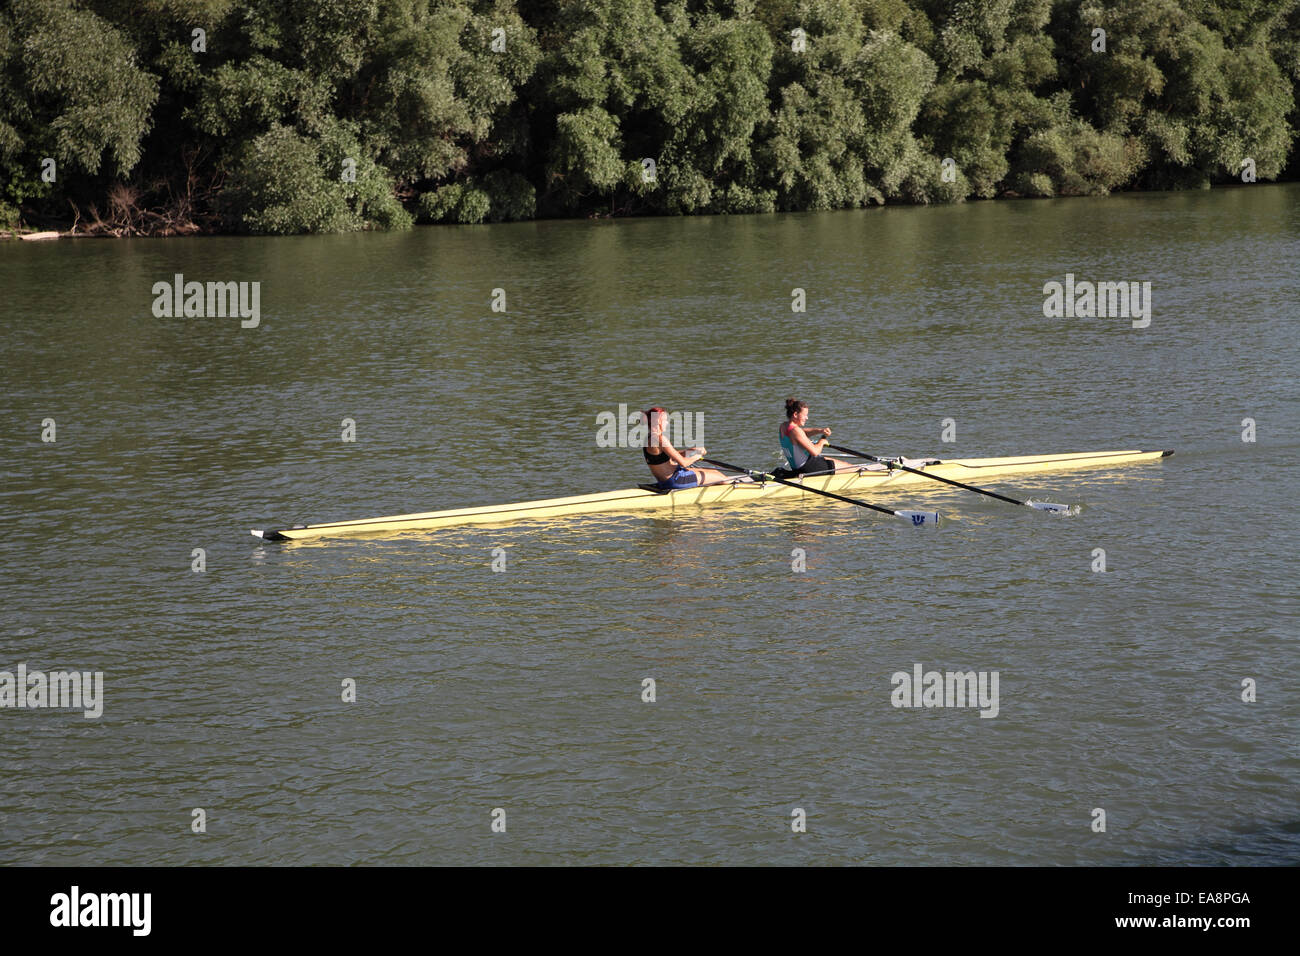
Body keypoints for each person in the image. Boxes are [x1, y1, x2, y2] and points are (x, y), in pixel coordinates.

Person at [642, 406, 729, 490]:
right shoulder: (660, 439)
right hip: (676, 480)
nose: (667, 423)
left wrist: (693, 451)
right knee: (720, 476)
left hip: (667, 480)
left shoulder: (649, 438)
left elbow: (673, 456)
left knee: (705, 471)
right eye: (665, 420)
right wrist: (697, 456)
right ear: (658, 421)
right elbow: (683, 463)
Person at [778, 398, 858, 476]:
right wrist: (822, 442)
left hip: (797, 468)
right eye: (805, 415)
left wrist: (820, 430)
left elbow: (802, 433)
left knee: (828, 459)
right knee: (851, 468)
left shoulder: (784, 426)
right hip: (809, 467)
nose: (807, 418)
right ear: (795, 414)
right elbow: (815, 452)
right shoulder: (796, 431)